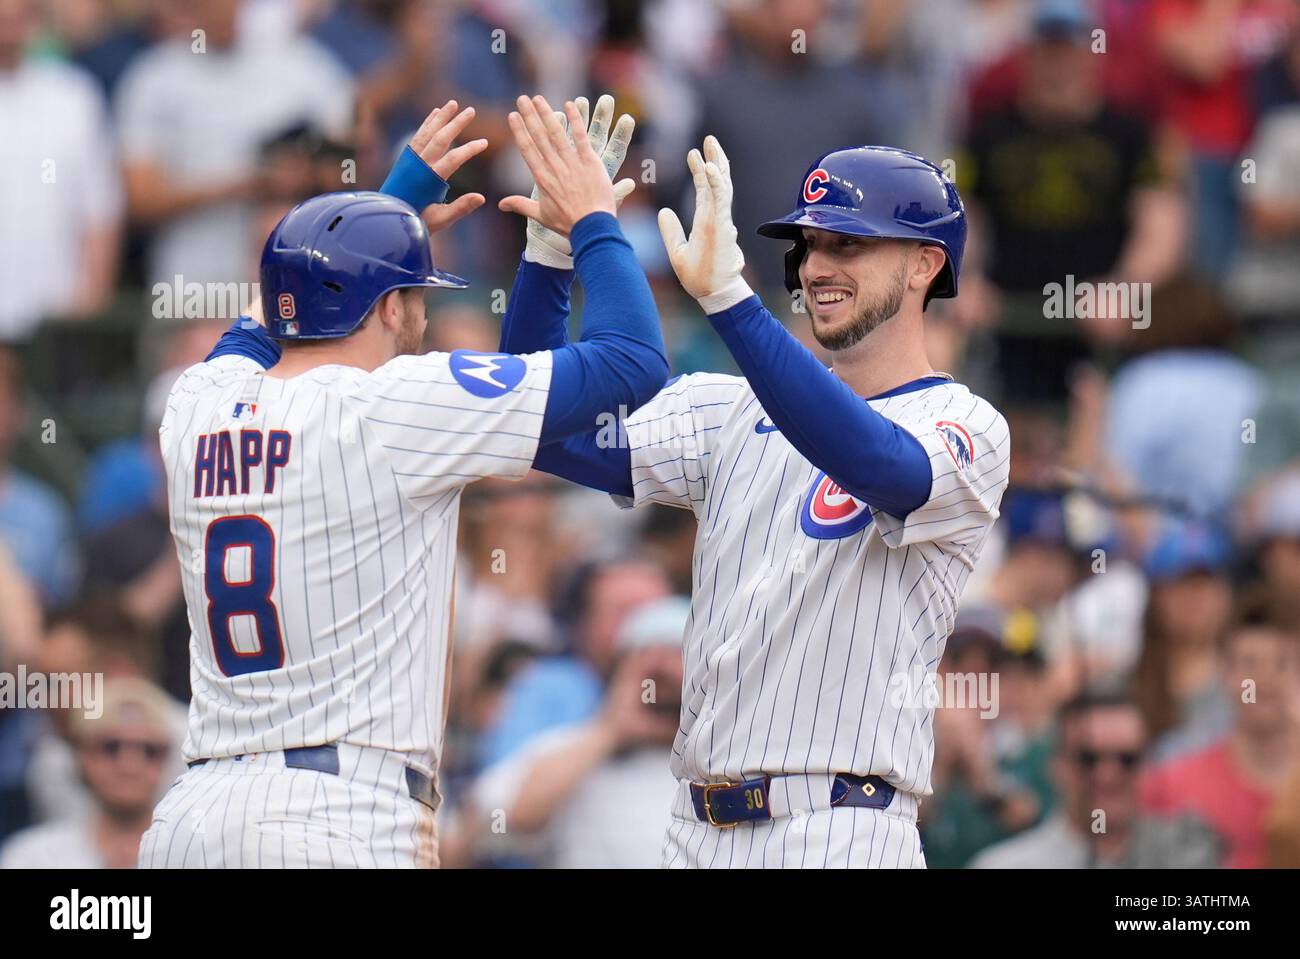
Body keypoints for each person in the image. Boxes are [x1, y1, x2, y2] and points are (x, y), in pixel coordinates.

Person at [136, 94, 668, 869]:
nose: (420, 316)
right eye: (415, 294)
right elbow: (632, 361)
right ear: (388, 306)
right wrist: (590, 221)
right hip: (337, 817)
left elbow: (266, 316)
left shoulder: (197, 401)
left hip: (193, 816)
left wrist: (392, 205)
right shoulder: (399, 403)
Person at [498, 138, 1010, 868]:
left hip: (838, 826)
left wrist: (730, 301)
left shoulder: (966, 424)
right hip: (694, 827)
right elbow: (544, 427)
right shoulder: (732, 409)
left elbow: (872, 459)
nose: (817, 266)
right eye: (808, 244)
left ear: (925, 264)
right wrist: (554, 252)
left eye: (848, 244)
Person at [466, 596, 688, 868]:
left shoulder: (721, 762)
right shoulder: (575, 748)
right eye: (653, 676)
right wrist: (611, 729)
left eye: (680, 664)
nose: (663, 689)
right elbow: (507, 819)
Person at [969, 692, 1220, 868]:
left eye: (1126, 759)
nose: (1107, 775)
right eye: (1088, 759)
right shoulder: (1004, 866)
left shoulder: (1189, 855)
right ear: (1057, 765)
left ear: (1146, 767)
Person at [1140, 605, 1300, 868]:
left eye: (1282, 663)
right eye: (1250, 663)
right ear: (1224, 674)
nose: (1266, 678)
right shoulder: (1172, 784)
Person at [1, 678, 176, 869]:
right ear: (81, 755)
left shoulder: (196, 853)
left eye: (150, 750)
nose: (130, 765)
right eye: (111, 747)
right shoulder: (31, 858)